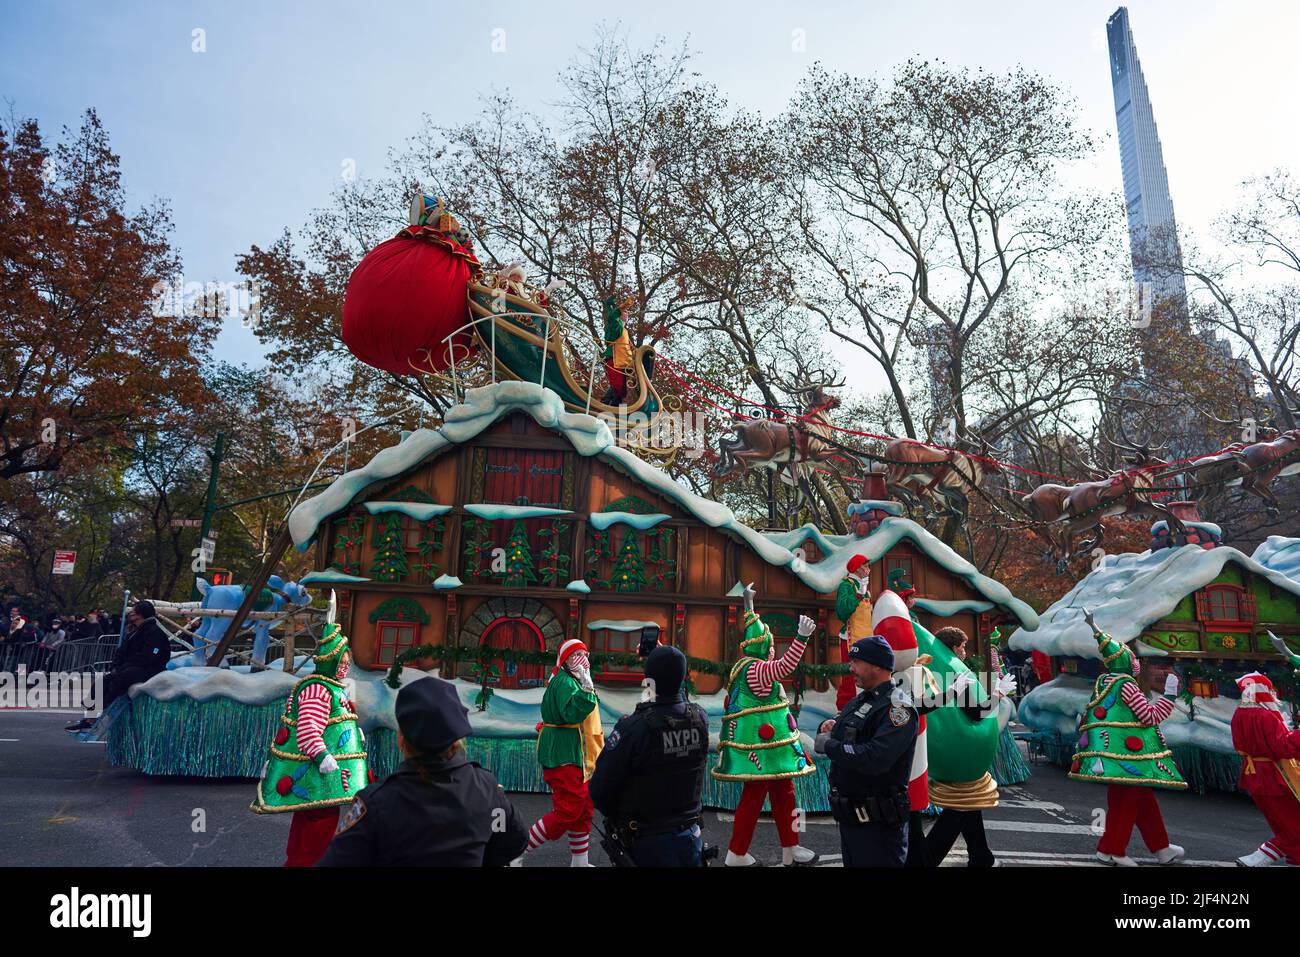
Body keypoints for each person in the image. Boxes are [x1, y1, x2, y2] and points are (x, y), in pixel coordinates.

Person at [318, 675, 527, 866]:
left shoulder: (377, 803)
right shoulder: (485, 789)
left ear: (402, 740)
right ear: (457, 738)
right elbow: (514, 842)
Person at [250, 607, 370, 867]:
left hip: (325, 774)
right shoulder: (317, 689)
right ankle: (306, 863)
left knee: (313, 818)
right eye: (341, 664)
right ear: (329, 661)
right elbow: (308, 729)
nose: (344, 669)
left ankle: (298, 861)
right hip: (316, 770)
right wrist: (322, 754)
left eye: (347, 665)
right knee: (319, 821)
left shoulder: (332, 687)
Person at [712, 584, 819, 867]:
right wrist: (802, 637)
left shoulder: (745, 665)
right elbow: (784, 667)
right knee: (758, 797)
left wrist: (748, 602)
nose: (773, 649)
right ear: (763, 647)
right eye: (770, 645)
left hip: (768, 750)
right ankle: (738, 853)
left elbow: (755, 631)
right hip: (765, 751)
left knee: (784, 794)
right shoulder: (758, 668)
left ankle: (790, 848)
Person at [1070, 607, 1186, 866]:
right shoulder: (1126, 684)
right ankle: (1112, 850)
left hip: (1118, 755)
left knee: (1144, 801)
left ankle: (1161, 847)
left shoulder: (1106, 682)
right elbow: (1149, 716)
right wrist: (1169, 695)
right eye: (1133, 658)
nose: (1137, 663)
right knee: (1127, 803)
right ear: (1125, 662)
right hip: (1130, 755)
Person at [589, 644, 709, 866]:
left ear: (648, 679)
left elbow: (599, 790)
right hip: (690, 837)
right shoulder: (700, 719)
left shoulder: (635, 728)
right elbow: (675, 690)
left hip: (645, 842)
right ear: (683, 678)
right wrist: (668, 663)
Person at [815, 634, 918, 866]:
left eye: (856, 662)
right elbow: (844, 731)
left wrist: (829, 745)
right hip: (851, 818)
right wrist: (829, 727)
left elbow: (875, 758)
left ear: (877, 665)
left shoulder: (898, 707)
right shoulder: (861, 701)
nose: (850, 667)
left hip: (879, 825)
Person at [520, 638, 604, 866]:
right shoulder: (565, 682)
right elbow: (572, 714)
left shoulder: (573, 680)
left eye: (586, 655)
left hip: (579, 756)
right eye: (577, 656)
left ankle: (580, 861)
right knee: (568, 810)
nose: (583, 661)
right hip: (565, 756)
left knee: (583, 808)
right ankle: (518, 850)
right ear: (566, 660)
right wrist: (587, 687)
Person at [64, 601, 170, 732]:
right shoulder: (134, 631)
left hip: (149, 670)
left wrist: (124, 666)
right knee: (104, 680)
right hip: (131, 666)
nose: (130, 612)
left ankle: (103, 706)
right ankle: (90, 717)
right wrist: (116, 665)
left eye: (134, 610)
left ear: (142, 613)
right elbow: (122, 651)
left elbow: (151, 656)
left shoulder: (154, 633)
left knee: (120, 678)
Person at [1231, 669, 1300, 866]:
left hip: (1253, 774)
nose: (1273, 694)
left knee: (1283, 822)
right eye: (1270, 690)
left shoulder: (1239, 714)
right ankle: (1256, 859)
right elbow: (1281, 747)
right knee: (1293, 824)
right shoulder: (1265, 716)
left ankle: (1295, 857)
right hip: (1274, 775)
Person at [833, 554, 873, 711]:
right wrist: (857, 596)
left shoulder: (865, 588)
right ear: (858, 568)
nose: (868, 569)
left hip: (867, 637)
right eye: (866, 566)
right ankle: (844, 708)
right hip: (850, 636)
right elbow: (842, 612)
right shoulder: (847, 586)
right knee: (850, 676)